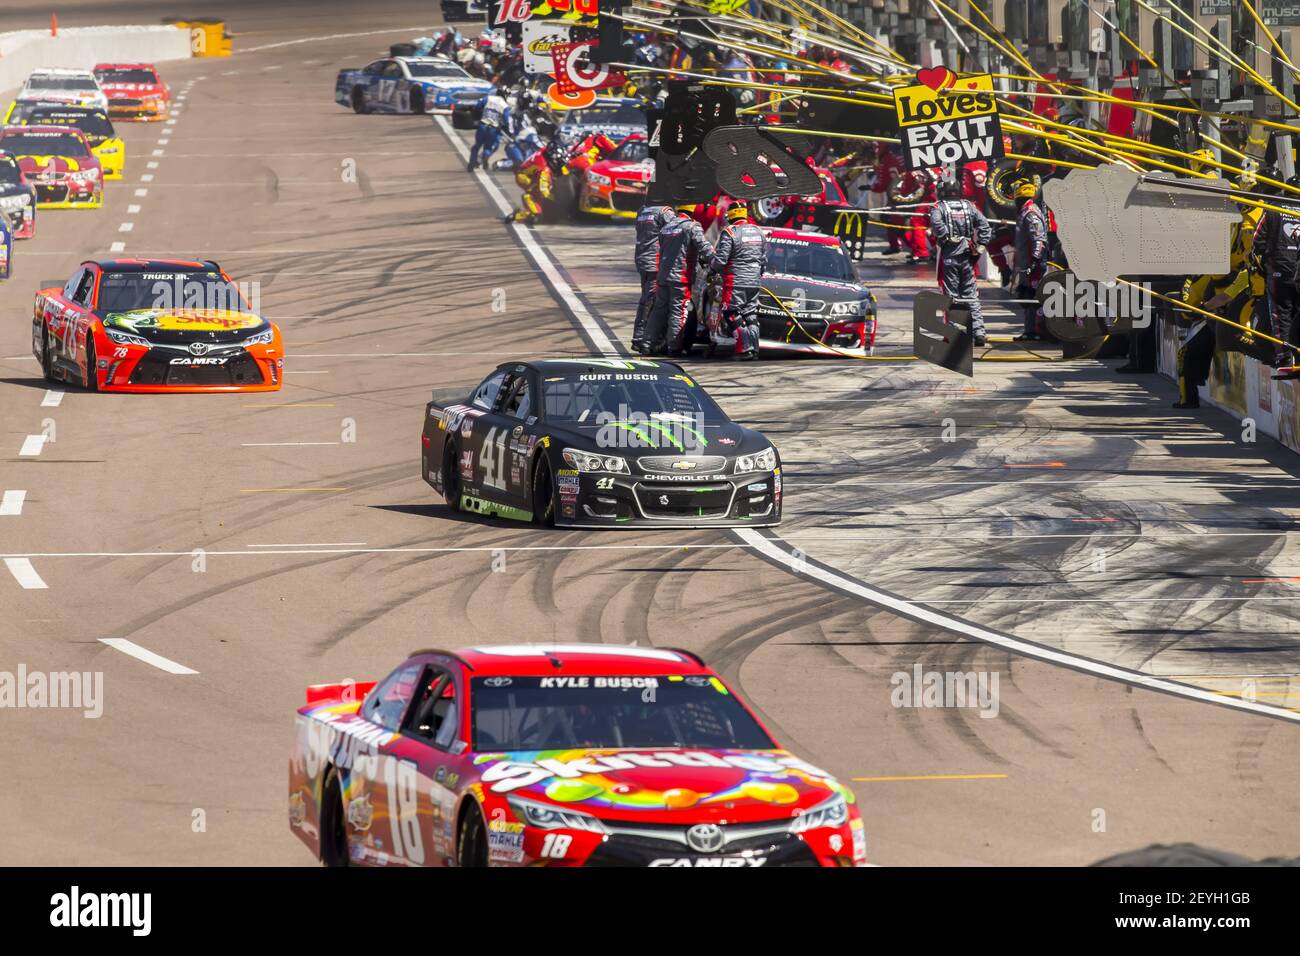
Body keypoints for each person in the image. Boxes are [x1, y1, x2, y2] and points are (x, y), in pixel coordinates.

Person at [645, 205, 718, 356]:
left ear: (678, 211)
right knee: (678, 311)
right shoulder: (692, 226)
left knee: (658, 310)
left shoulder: (666, 227)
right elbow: (704, 247)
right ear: (692, 212)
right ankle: (674, 347)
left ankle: (647, 344)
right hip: (680, 278)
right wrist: (718, 261)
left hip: (663, 276)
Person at [929, 177, 992, 346]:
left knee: (951, 297)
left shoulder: (938, 207)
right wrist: (980, 248)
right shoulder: (969, 206)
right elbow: (985, 226)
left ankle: (953, 333)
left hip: (949, 258)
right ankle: (979, 332)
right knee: (971, 296)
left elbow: (936, 223)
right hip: (967, 258)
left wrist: (945, 237)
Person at [1251, 173, 1300, 365]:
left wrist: (1262, 264)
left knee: (1280, 313)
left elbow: (1257, 239)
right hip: (1298, 266)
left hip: (1279, 268)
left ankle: (1285, 355)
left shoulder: (1273, 207)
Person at [711, 202, 767, 360]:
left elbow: (721, 259)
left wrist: (711, 269)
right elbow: (764, 260)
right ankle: (754, 350)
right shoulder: (758, 231)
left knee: (730, 312)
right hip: (754, 281)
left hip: (735, 281)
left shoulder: (730, 232)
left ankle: (744, 349)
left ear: (731, 215)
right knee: (750, 314)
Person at [631, 202, 675, 353]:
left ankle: (639, 337)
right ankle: (644, 339)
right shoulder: (665, 212)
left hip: (642, 259)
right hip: (654, 261)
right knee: (652, 300)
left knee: (645, 299)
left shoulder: (642, 210)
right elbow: (675, 233)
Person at [1011, 181, 1050, 341]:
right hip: (1026, 264)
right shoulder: (1025, 211)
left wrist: (1034, 260)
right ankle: (1030, 331)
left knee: (1034, 298)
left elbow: (1039, 239)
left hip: (1034, 265)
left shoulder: (1031, 213)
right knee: (1026, 296)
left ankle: (1039, 331)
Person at [468, 86, 508, 172]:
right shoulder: (504, 105)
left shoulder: (488, 98)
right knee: (488, 148)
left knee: (476, 146)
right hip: (493, 129)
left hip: (482, 126)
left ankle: (471, 164)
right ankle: (485, 157)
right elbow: (506, 120)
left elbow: (477, 106)